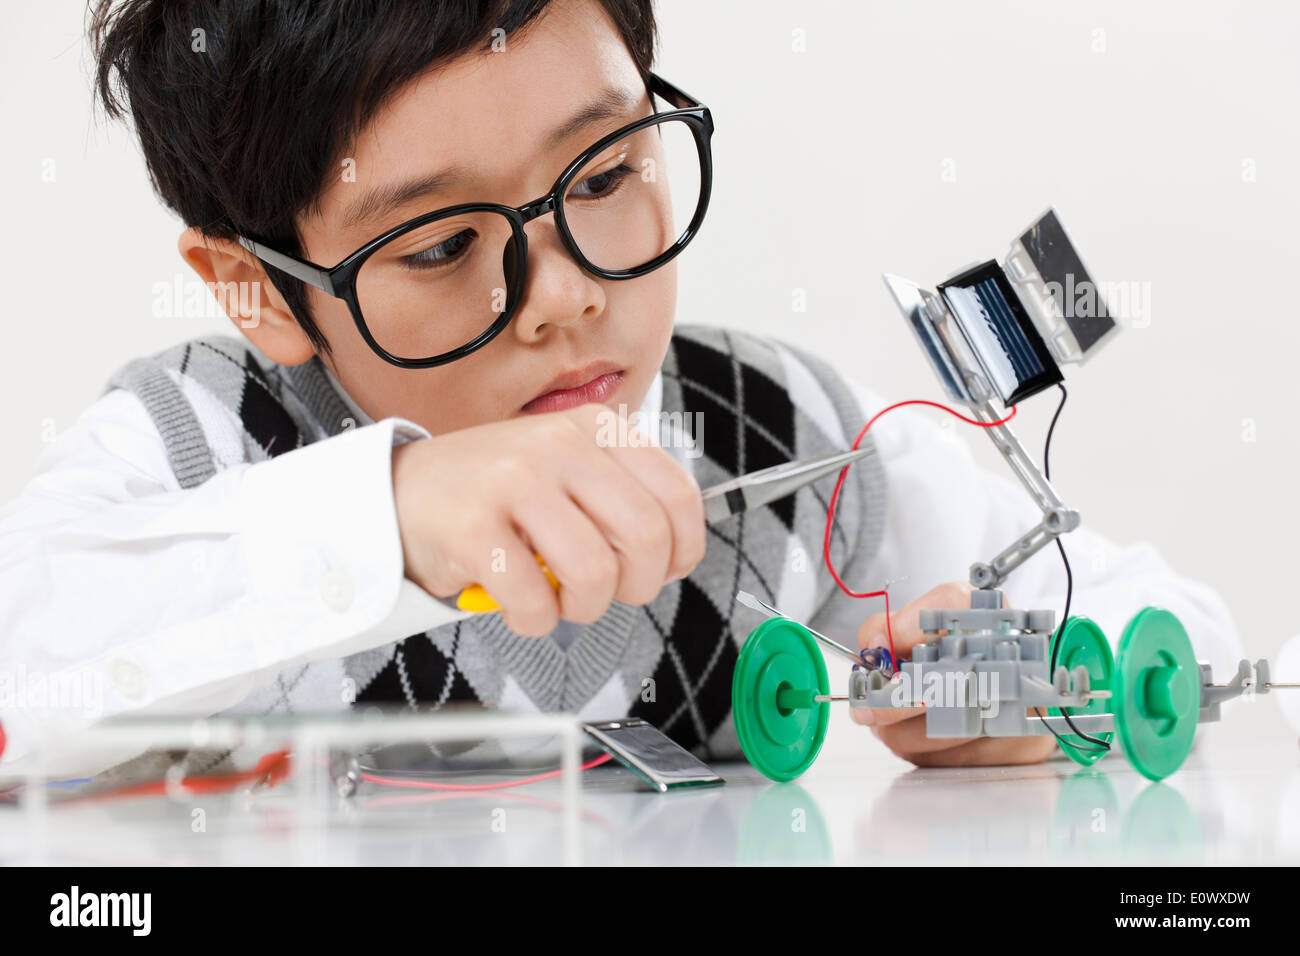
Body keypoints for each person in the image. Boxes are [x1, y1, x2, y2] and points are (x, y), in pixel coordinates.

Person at [0, 0, 1241, 779]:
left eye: (601, 175)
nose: (560, 296)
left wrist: (1051, 697)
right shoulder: (198, 451)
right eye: (437, 247)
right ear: (254, 288)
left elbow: (1176, 628)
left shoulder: (791, 431)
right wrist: (394, 510)